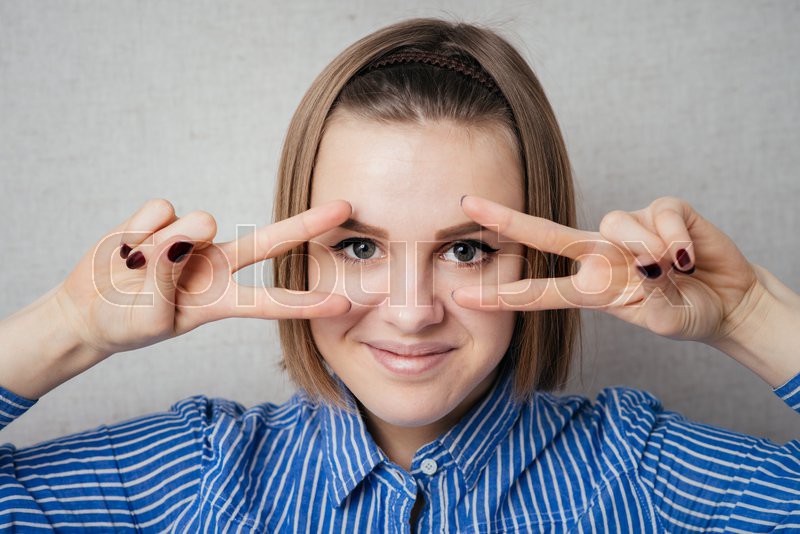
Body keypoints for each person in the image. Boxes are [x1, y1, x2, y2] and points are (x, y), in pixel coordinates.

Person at [1, 16, 798, 533]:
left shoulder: (642, 472)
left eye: (466, 249)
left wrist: (750, 313)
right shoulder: (197, 476)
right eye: (358, 247)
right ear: (298, 252)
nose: (412, 313)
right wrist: (68, 329)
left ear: (539, 258)